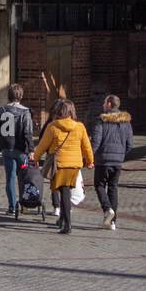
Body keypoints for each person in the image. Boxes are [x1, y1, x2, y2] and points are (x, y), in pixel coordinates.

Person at [32, 99, 93, 234]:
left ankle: (67, 224)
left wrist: (35, 158)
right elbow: (87, 146)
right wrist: (90, 161)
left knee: (64, 192)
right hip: (75, 165)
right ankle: (62, 220)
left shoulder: (52, 127)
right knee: (66, 191)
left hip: (59, 164)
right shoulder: (80, 126)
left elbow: (42, 145)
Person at [0, 83, 34, 215]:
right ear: (21, 95)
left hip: (7, 149)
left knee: (10, 178)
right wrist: (31, 149)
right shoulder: (25, 112)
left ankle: (11, 206)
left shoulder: (2, 110)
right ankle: (24, 204)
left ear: (8, 95)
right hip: (21, 149)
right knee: (23, 177)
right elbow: (28, 132)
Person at [90, 94, 133, 230]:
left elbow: (96, 142)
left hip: (103, 160)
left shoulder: (101, 120)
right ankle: (112, 222)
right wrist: (121, 155)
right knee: (113, 188)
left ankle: (107, 209)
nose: (103, 104)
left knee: (99, 185)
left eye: (104, 102)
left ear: (109, 104)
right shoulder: (126, 122)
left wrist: (90, 157)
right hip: (118, 161)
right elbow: (130, 144)